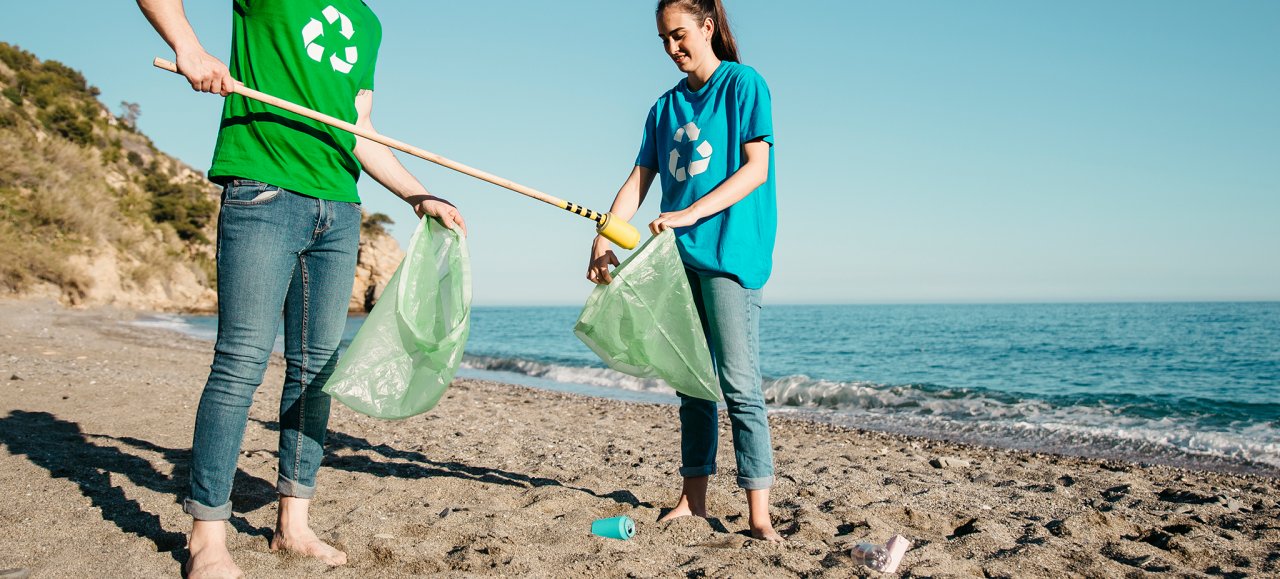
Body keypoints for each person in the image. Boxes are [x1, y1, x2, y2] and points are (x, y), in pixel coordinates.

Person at [136, 1, 466, 576]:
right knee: (240, 361)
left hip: (339, 209)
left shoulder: (367, 24)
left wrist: (418, 195)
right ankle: (207, 538)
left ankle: (293, 524)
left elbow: (359, 132)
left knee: (316, 370)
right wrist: (190, 49)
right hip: (262, 191)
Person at [586, 0, 782, 542]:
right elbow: (639, 178)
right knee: (692, 384)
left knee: (739, 385)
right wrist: (603, 236)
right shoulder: (664, 107)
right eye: (664, 40)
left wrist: (692, 212)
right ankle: (692, 501)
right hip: (677, 261)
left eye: (680, 35)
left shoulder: (744, 85)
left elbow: (756, 169)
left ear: (707, 27)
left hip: (729, 255)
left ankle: (758, 514)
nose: (673, 49)